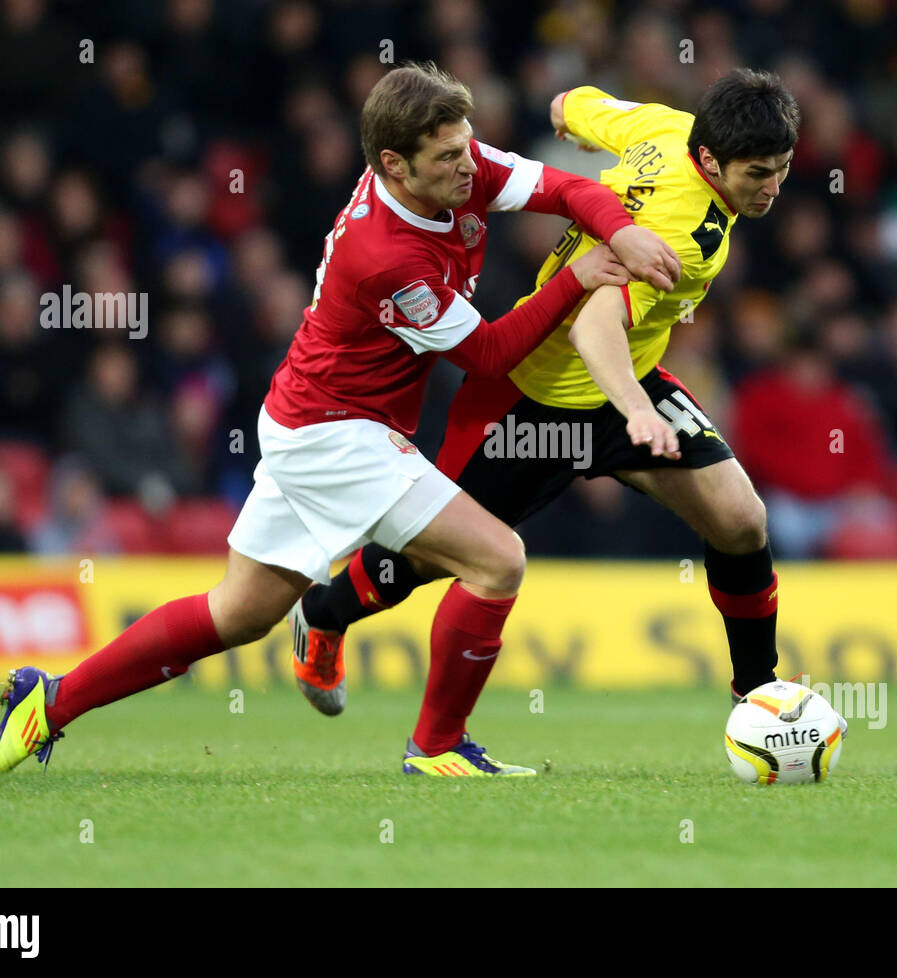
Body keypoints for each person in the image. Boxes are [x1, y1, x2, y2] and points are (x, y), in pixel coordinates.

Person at [0, 62, 680, 777]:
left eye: (467, 144)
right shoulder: (386, 257)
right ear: (393, 165)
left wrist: (619, 233)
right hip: (336, 432)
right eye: (446, 156)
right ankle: (437, 748)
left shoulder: (457, 167)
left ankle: (50, 701)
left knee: (239, 613)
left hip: (307, 416)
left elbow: (566, 186)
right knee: (497, 560)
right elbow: (490, 355)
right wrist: (576, 277)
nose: (467, 164)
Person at [294, 69, 845, 733]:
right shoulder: (685, 236)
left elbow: (580, 106)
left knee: (741, 522)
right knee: (429, 557)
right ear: (710, 158)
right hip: (533, 394)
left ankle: (757, 698)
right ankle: (324, 614)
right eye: (758, 173)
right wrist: (638, 412)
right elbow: (593, 326)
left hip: (624, 380)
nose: (773, 188)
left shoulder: (668, 128)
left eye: (782, 169)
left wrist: (562, 113)